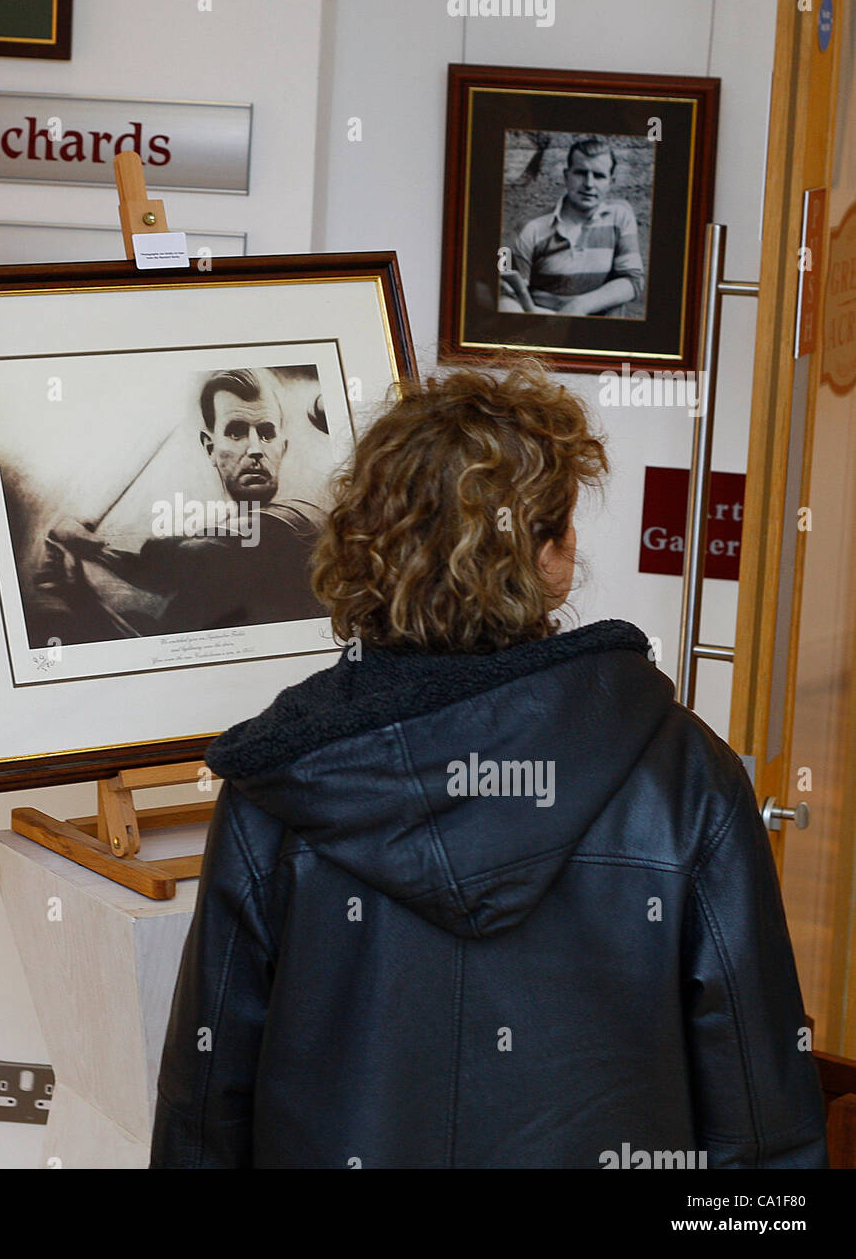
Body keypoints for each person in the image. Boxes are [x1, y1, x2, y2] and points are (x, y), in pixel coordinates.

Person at [150, 360, 828, 1168]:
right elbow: (760, 1119)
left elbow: (205, 1114)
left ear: (367, 547)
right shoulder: (685, 776)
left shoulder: (282, 777)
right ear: (549, 557)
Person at [33, 369, 327, 642]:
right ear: (210, 447)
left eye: (266, 433)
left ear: (283, 446)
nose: (255, 449)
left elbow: (171, 564)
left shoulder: (290, 523)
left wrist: (83, 572)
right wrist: (85, 567)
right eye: (236, 432)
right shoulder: (227, 539)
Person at [500, 136, 646, 317]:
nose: (589, 184)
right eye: (580, 173)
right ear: (566, 176)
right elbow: (508, 295)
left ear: (611, 182)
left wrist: (580, 306)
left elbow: (632, 280)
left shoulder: (620, 216)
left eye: (599, 176)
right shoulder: (532, 228)